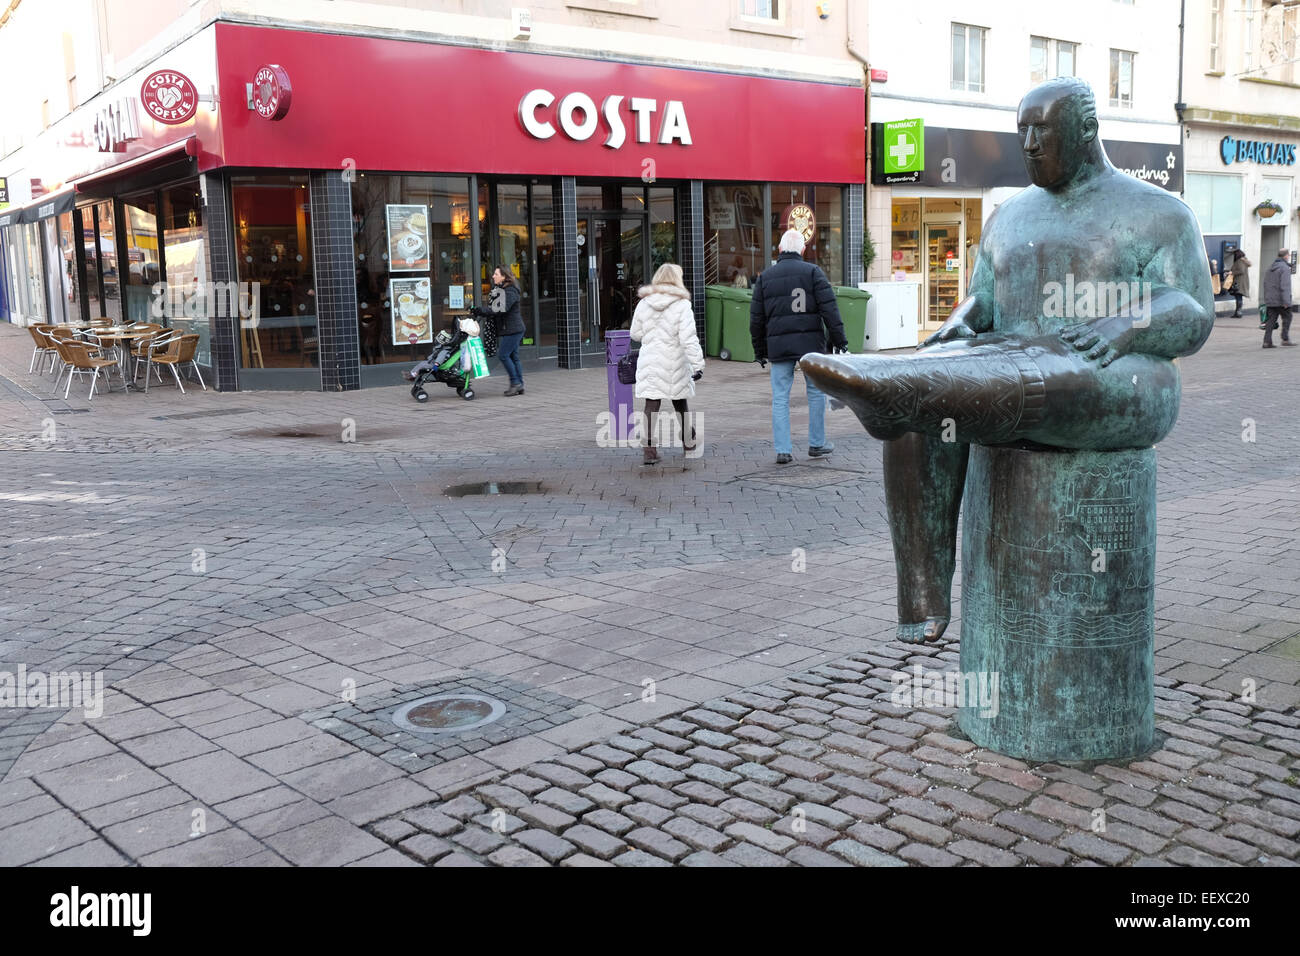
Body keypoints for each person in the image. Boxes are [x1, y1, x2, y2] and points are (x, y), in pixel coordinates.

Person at [799, 77, 1213, 643]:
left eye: (1042, 129)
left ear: (1088, 129)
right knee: (929, 391)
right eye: (1022, 131)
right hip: (1015, 357)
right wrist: (958, 324)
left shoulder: (1160, 213)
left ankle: (893, 390)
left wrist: (1123, 324)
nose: (1030, 143)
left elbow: (1193, 310)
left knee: (949, 385)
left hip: (1124, 375)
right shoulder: (1009, 217)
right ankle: (921, 595)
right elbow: (984, 300)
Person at [749, 227, 848, 464]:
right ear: (803, 249)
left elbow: (756, 319)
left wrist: (759, 350)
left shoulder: (765, 278)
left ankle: (783, 450)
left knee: (780, 397)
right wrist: (840, 341)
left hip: (779, 346)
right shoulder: (814, 272)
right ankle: (817, 444)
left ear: (780, 249)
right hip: (810, 345)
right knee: (815, 393)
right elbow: (830, 310)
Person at [630, 262, 704, 465]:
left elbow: (635, 334)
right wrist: (699, 364)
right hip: (675, 362)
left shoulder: (644, 303)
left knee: (651, 405)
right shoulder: (682, 305)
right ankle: (688, 443)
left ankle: (649, 451)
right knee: (680, 403)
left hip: (650, 361)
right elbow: (688, 338)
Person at [478, 265, 526, 393]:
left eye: (496, 274)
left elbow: (500, 309)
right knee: (513, 357)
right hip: (511, 328)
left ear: (504, 276)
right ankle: (519, 385)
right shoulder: (500, 289)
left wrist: (482, 311)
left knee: (504, 355)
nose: (493, 276)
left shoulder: (510, 290)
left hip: (513, 329)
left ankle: (515, 383)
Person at [1262, 248, 1294, 348]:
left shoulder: (1270, 267)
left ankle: (1267, 342)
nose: (1289, 257)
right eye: (1288, 255)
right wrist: (1286, 301)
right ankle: (1285, 339)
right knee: (1288, 317)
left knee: (1271, 320)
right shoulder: (1284, 268)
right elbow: (1285, 286)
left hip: (1270, 299)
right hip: (1280, 300)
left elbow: (1265, 284)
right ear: (1285, 256)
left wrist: (1267, 298)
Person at [1227, 249, 1251, 318]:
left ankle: (1238, 312)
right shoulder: (1243, 260)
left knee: (1238, 297)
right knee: (1239, 297)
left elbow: (1241, 270)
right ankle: (1238, 312)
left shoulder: (1239, 261)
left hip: (1239, 282)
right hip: (1242, 282)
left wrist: (1232, 272)